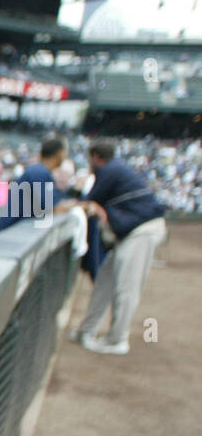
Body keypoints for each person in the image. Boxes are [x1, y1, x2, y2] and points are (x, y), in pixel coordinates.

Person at [70, 138, 169, 355]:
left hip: (142, 231)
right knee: (105, 280)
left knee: (126, 287)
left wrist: (78, 191)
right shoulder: (115, 168)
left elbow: (90, 199)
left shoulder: (111, 170)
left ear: (96, 157)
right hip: (130, 233)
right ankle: (87, 329)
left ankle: (117, 340)